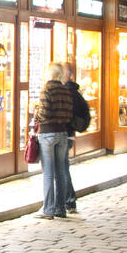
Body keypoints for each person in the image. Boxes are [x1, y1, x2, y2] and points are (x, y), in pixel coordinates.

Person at [33, 62, 74, 219]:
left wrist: (35, 113)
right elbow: (69, 115)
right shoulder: (65, 90)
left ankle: (48, 209)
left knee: (48, 173)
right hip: (62, 133)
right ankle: (61, 208)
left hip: (48, 134)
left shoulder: (47, 89)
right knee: (61, 172)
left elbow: (43, 114)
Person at [62, 63, 89, 214]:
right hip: (69, 135)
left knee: (62, 168)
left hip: (65, 134)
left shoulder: (68, 93)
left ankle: (69, 201)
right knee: (63, 167)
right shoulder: (75, 92)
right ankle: (67, 201)